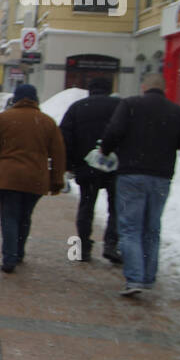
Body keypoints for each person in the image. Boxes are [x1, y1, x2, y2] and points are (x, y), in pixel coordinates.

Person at [99, 72, 180, 297]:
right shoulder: (178, 113)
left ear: (144, 86)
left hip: (130, 175)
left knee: (129, 228)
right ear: (164, 89)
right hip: (161, 178)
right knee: (151, 228)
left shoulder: (129, 105)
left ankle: (135, 278)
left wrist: (105, 149)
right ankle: (147, 277)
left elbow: (114, 132)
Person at [0, 83, 66, 273]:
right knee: (25, 216)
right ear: (35, 100)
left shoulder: (3, 119)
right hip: (36, 178)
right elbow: (59, 153)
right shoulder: (47, 122)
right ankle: (18, 252)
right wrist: (57, 180)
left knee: (9, 216)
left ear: (15, 99)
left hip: (8, 176)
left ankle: (9, 257)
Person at [59, 77, 121, 263]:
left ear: (90, 90)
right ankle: (111, 244)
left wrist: (68, 165)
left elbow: (65, 137)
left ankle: (83, 247)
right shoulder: (120, 106)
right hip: (115, 167)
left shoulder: (78, 107)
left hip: (86, 167)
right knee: (116, 207)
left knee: (86, 206)